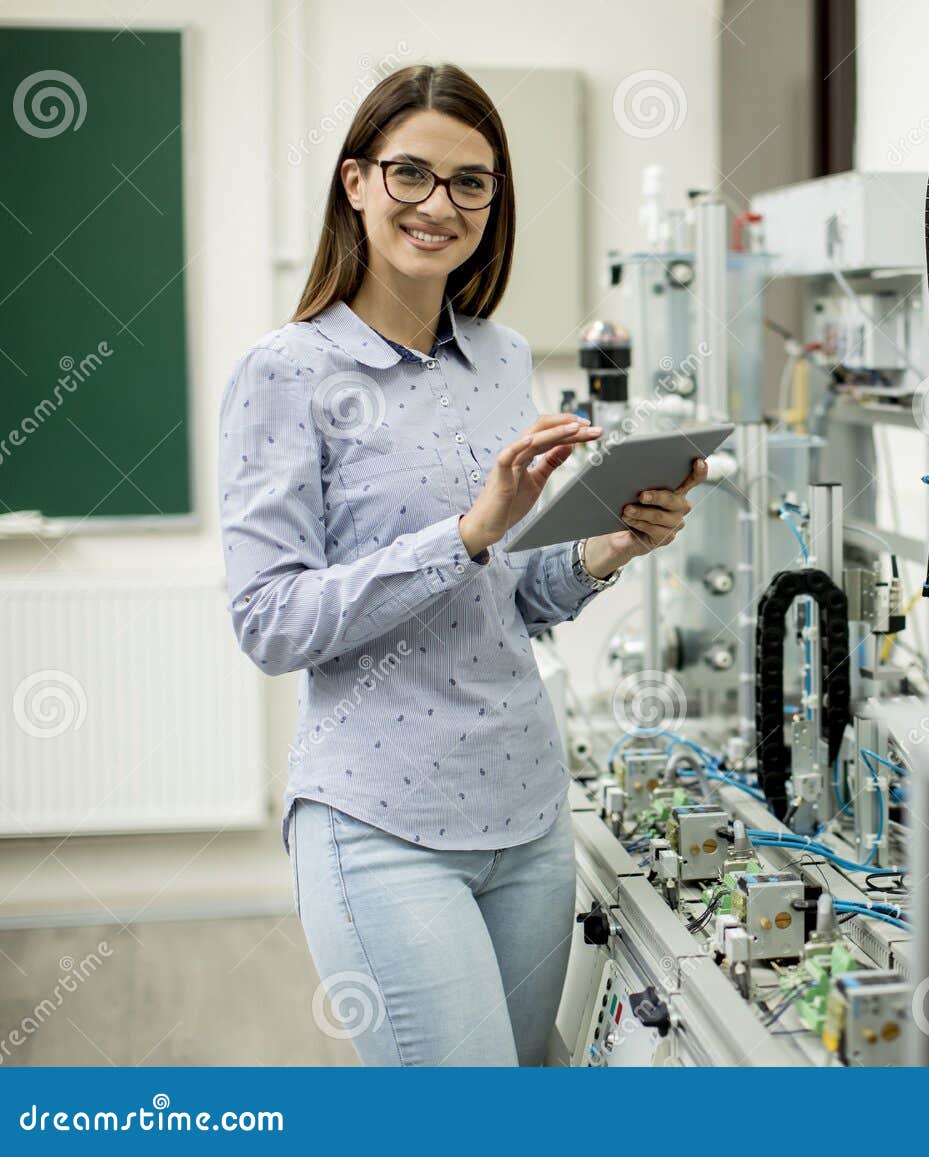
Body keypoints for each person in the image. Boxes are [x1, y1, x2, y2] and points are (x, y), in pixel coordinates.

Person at [217, 63, 705, 1065]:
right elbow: (268, 620)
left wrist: (604, 547)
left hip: (528, 820)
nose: (440, 205)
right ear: (355, 182)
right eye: (411, 175)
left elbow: (514, 595)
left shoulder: (501, 358)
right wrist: (464, 532)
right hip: (381, 825)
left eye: (470, 182)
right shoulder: (287, 372)